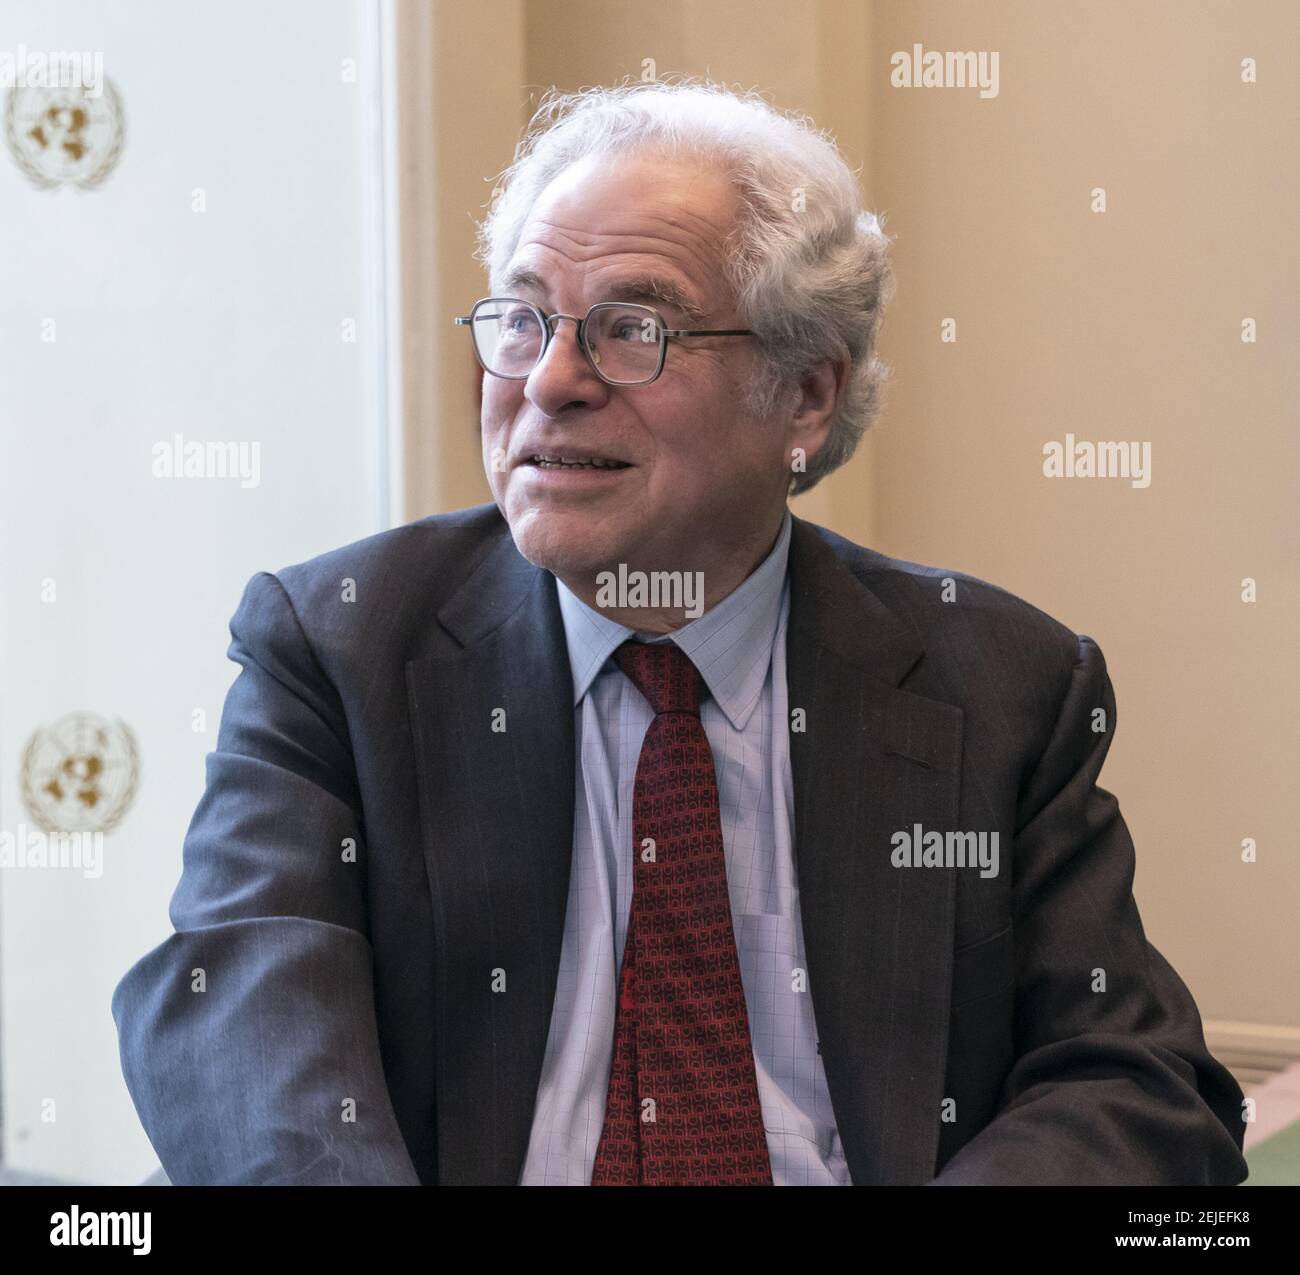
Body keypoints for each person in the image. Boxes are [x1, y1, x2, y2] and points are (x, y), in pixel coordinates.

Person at [112, 79, 1248, 1186]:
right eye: (522, 320)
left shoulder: (1000, 684)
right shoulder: (341, 649)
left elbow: (1132, 1080)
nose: (550, 382)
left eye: (633, 329)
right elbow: (239, 1023)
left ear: (804, 396)